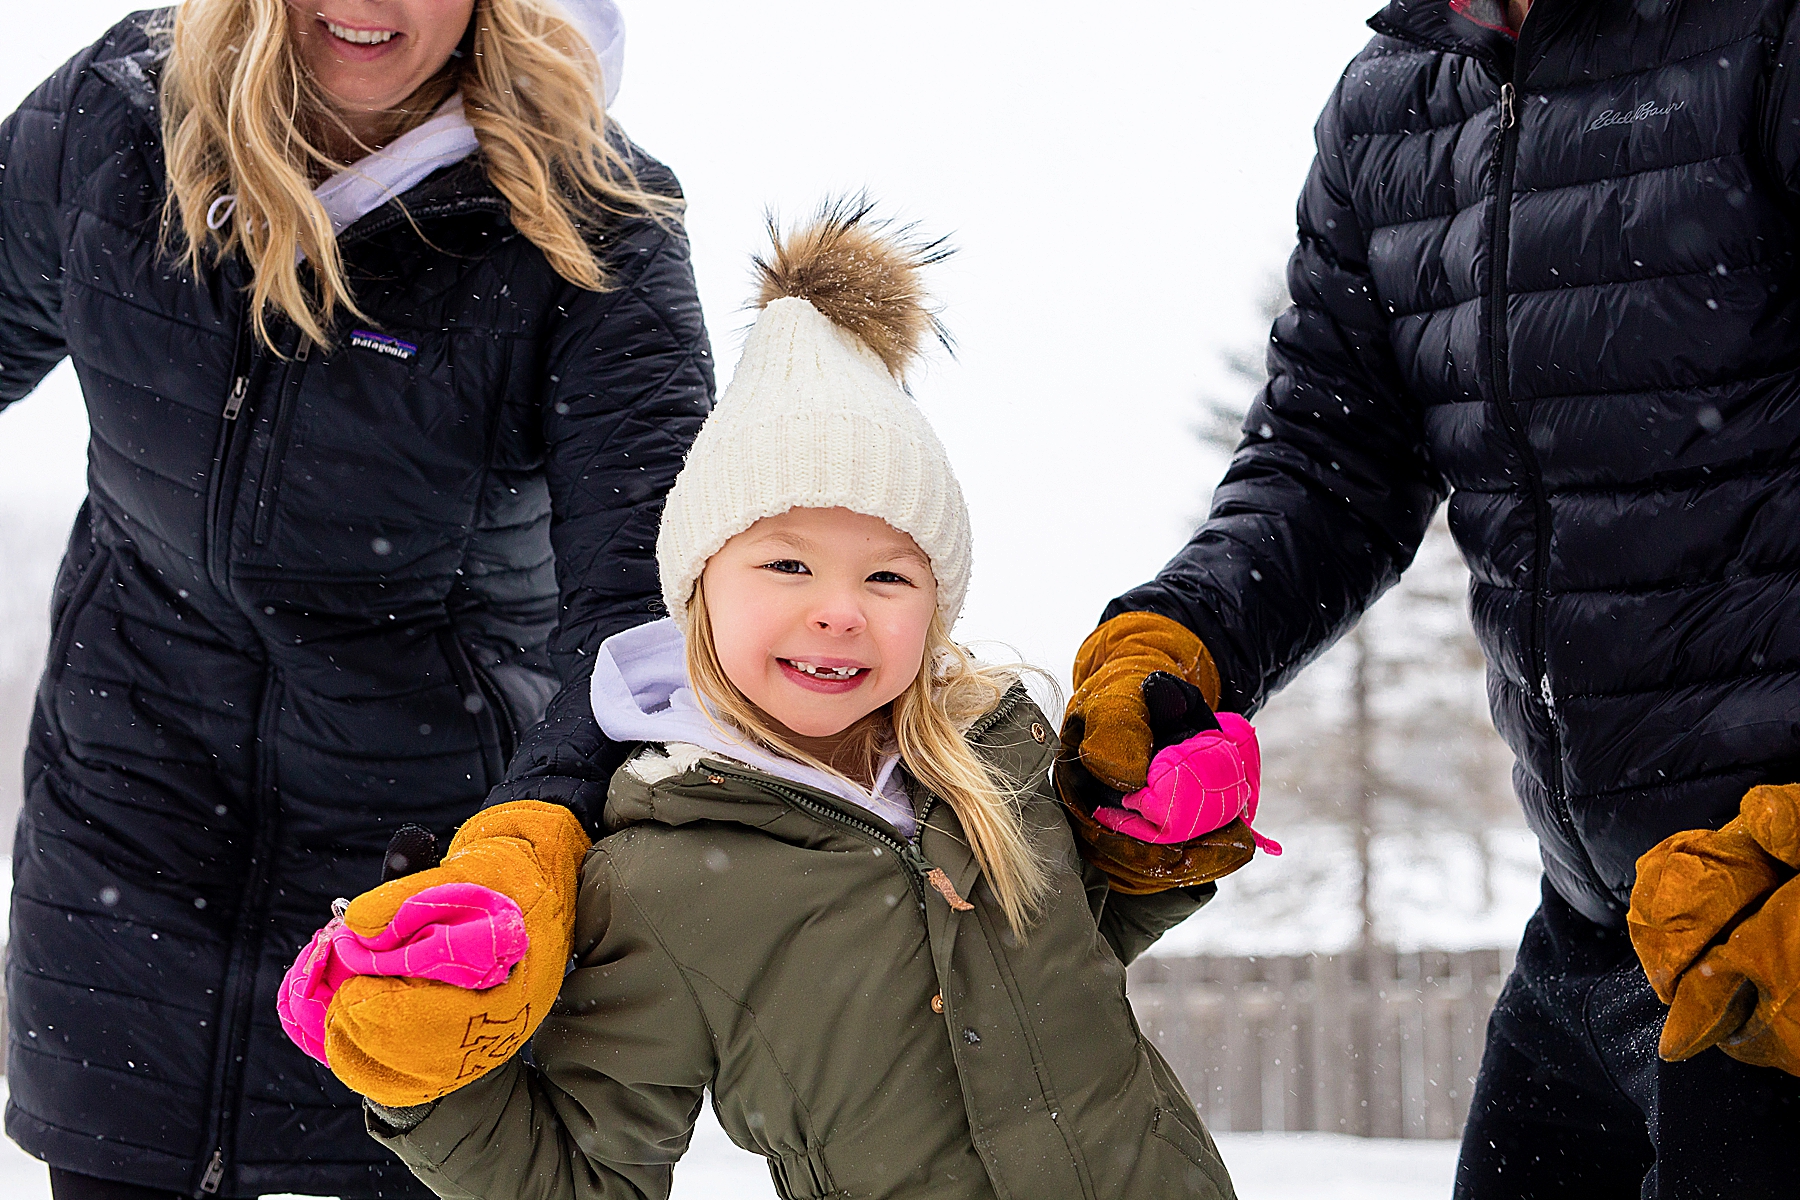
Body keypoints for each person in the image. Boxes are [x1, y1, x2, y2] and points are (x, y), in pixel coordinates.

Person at [282, 205, 1240, 1200]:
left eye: (888, 577)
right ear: (699, 592)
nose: (840, 611)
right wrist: (427, 1084)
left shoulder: (1000, 761)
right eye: (787, 565)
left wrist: (1157, 843)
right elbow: (586, 1181)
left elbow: (1072, 960)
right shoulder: (657, 880)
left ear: (938, 607)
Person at [1051, 0, 1800, 1195]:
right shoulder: (1392, 106)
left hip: (1771, 922)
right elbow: (1330, 459)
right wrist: (1180, 635)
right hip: (1594, 922)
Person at [0, 0, 713, 1196]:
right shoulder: (120, 122)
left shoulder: (592, 227)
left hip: (414, 916)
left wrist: (532, 848)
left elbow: (647, 617)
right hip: (121, 870)